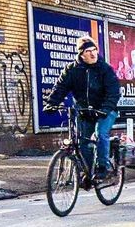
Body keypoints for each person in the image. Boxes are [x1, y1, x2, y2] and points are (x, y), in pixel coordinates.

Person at [45, 36, 121, 182]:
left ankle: (102, 167)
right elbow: (60, 87)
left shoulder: (104, 69)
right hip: (84, 111)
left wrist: (105, 108)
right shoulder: (72, 70)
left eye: (94, 50)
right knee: (82, 142)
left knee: (100, 134)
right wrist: (52, 103)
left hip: (105, 110)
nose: (93, 54)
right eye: (88, 51)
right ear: (81, 54)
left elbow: (113, 91)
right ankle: (87, 171)